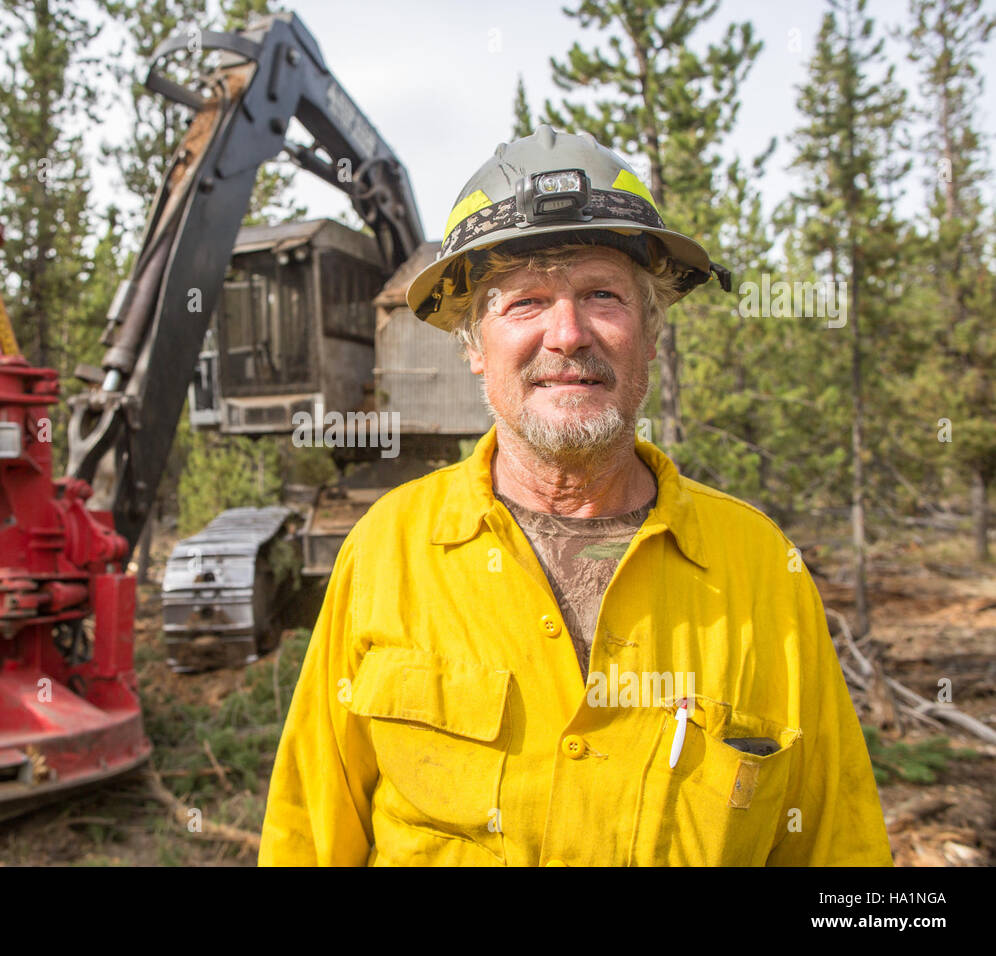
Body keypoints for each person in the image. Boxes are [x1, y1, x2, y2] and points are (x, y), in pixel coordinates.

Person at [258, 127, 893, 866]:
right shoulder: (386, 551)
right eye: (525, 301)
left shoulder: (760, 570)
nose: (567, 334)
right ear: (473, 346)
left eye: (602, 295)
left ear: (651, 332)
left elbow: (842, 855)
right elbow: (305, 835)